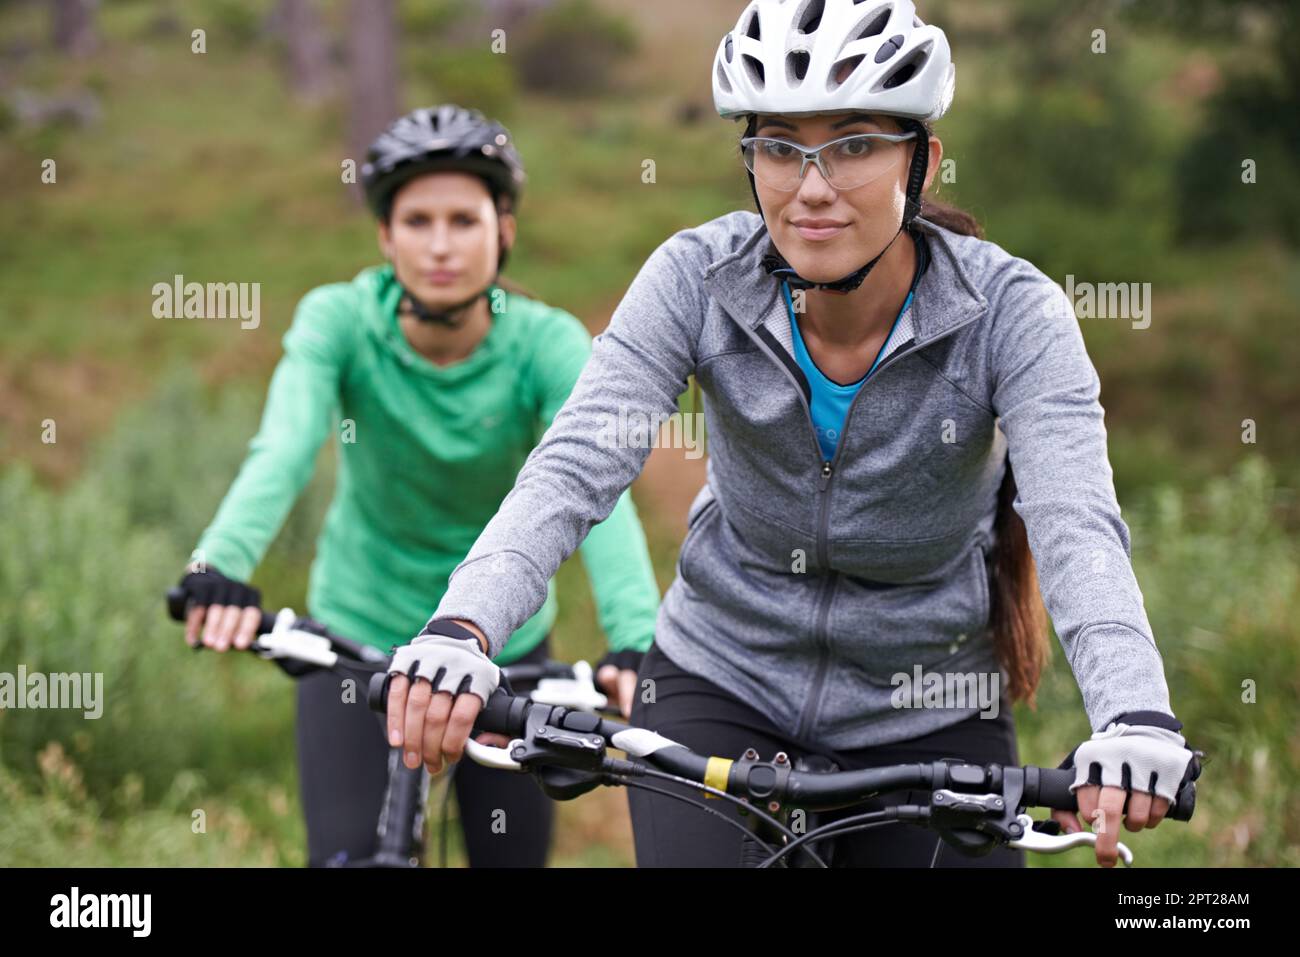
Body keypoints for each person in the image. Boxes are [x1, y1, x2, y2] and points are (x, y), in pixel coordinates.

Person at [384, 1, 1201, 868]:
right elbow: (577, 463)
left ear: (919, 160)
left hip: (932, 707)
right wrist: (461, 628)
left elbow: (1075, 520)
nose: (811, 188)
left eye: (852, 145)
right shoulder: (697, 279)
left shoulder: (1012, 314)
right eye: (780, 146)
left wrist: (1133, 712)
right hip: (718, 681)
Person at [172, 105, 660, 867]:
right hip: (357, 642)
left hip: (508, 652)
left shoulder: (546, 343)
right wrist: (220, 565)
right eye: (417, 220)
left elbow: (600, 491)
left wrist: (637, 639)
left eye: (463, 220)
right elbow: (284, 447)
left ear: (504, 230)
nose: (440, 246)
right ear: (384, 236)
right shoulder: (339, 321)